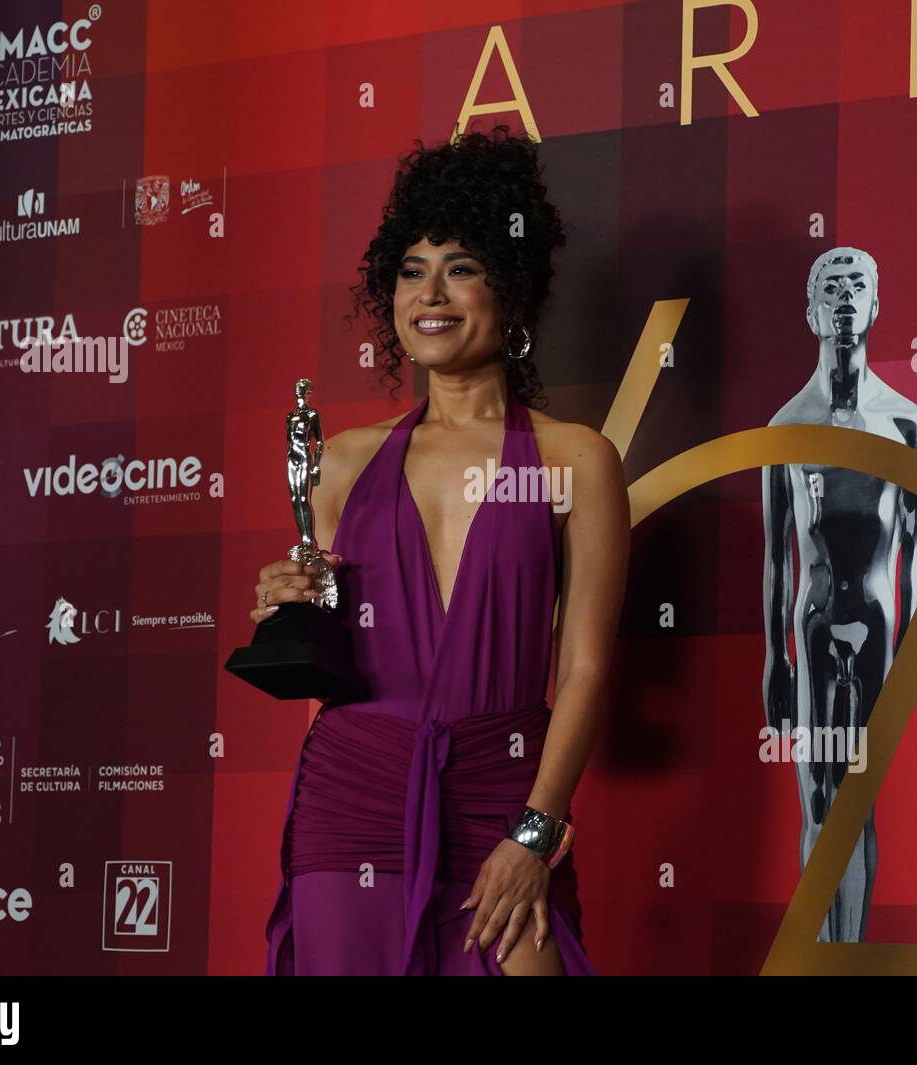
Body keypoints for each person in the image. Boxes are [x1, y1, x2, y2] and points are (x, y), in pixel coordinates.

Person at [253, 125, 630, 975]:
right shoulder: (341, 463)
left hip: (505, 793)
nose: (432, 292)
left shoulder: (577, 461)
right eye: (412, 269)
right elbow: (329, 661)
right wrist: (291, 608)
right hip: (353, 796)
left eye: (460, 266)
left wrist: (536, 831)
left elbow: (583, 673)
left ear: (512, 285)